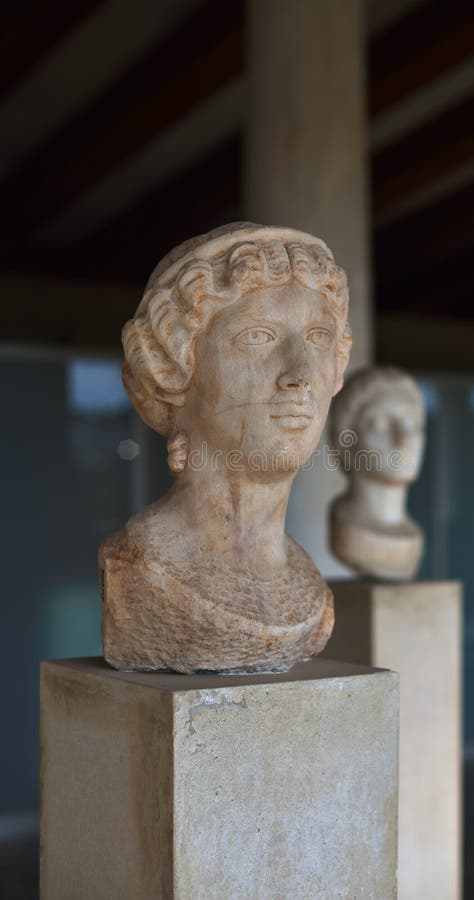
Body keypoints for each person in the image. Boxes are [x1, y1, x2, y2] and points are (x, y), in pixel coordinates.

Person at [100, 222, 352, 673]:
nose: (300, 375)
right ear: (174, 370)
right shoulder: (139, 565)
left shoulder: (312, 592)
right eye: (257, 336)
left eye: (318, 338)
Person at [330, 367, 425, 580]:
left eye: (413, 423)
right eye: (379, 423)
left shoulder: (414, 534)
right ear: (346, 441)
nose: (403, 438)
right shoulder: (348, 529)